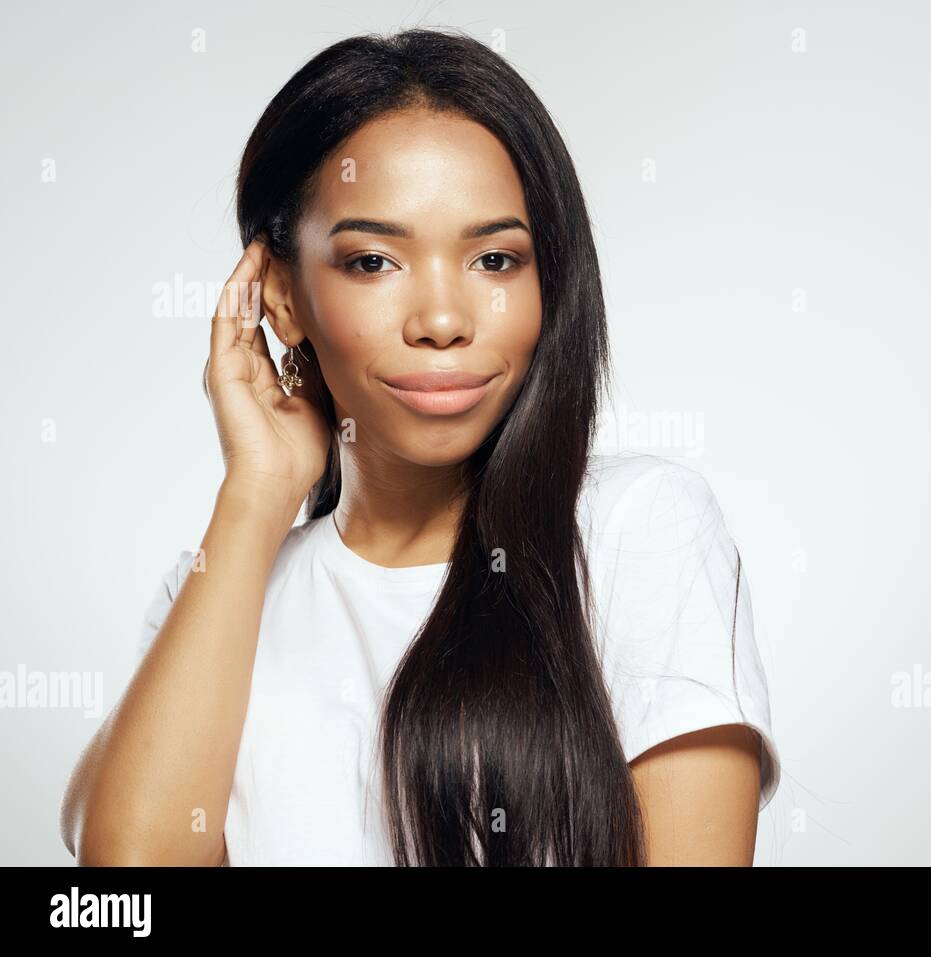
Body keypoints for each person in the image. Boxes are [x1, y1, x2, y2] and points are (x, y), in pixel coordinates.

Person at [60, 27, 779, 866]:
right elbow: (125, 883)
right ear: (281, 298)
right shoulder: (222, 592)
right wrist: (259, 488)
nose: (442, 320)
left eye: (495, 259)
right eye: (373, 260)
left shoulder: (638, 529)